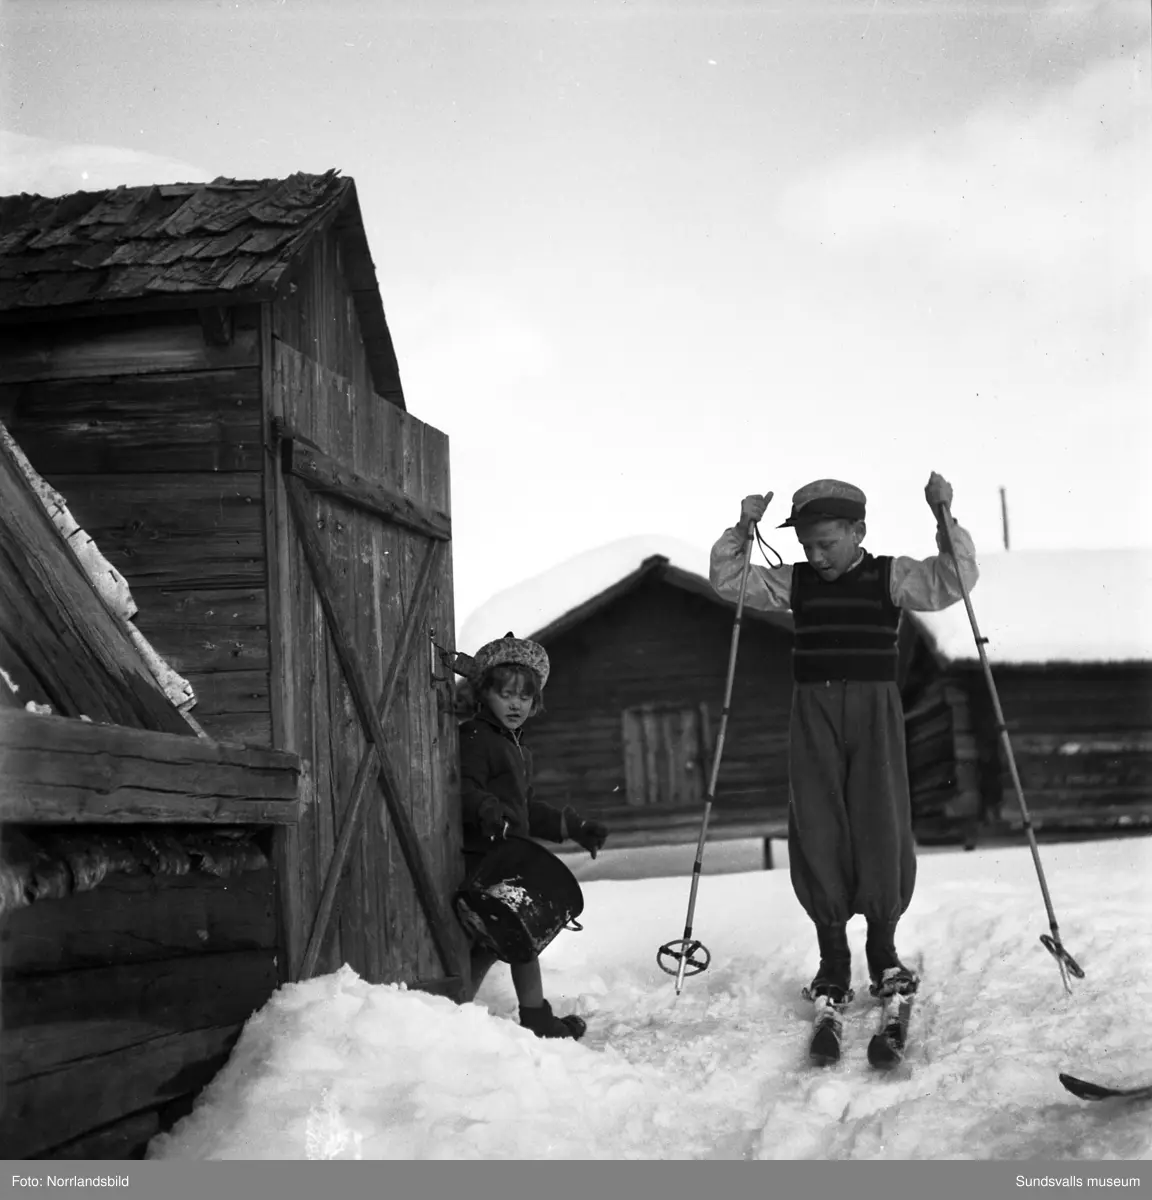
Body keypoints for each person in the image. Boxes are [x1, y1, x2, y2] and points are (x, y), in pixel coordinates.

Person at [708, 474, 979, 1011]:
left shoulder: (890, 576)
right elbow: (730, 581)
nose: (817, 555)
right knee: (817, 819)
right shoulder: (798, 582)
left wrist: (943, 517)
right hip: (813, 711)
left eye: (826, 543)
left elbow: (952, 580)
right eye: (807, 545)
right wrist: (744, 528)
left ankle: (883, 951)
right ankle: (834, 958)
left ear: (858, 532)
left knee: (880, 817)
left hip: (876, 710)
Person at [456, 632, 609, 1040]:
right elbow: (466, 789)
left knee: (499, 942)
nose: (515, 704)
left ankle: (461, 1013)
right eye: (505, 694)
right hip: (483, 857)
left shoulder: (519, 751)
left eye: (524, 697)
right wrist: (489, 811)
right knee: (507, 936)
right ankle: (524, 1016)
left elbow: (526, 811)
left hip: (509, 856)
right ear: (485, 693)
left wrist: (573, 827)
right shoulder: (475, 737)